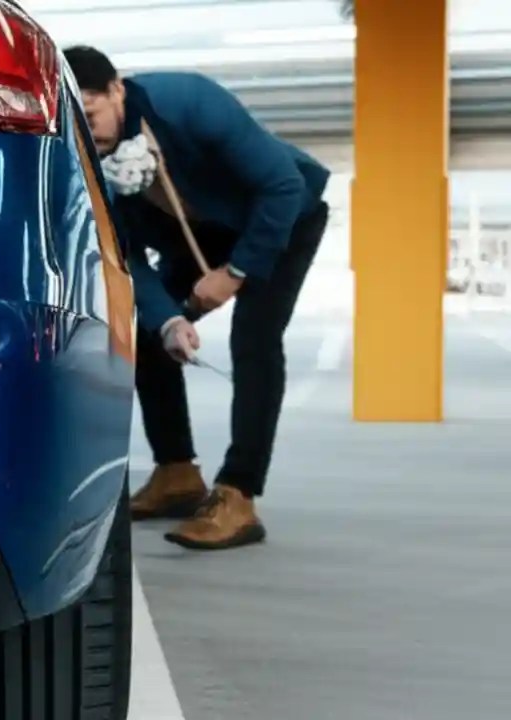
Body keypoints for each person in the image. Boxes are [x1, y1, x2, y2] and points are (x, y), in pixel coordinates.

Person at [64, 46, 331, 550]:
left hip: (281, 218)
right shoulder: (88, 157)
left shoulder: (187, 101)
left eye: (93, 114)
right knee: (145, 331)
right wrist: (168, 321)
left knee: (254, 338)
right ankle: (177, 473)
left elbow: (281, 185)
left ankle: (239, 494)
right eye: (77, 121)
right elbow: (126, 259)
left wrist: (235, 274)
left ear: (117, 89)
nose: (88, 131)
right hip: (197, 235)